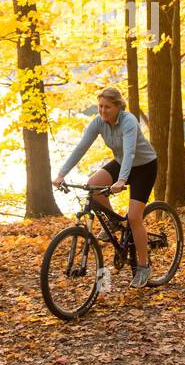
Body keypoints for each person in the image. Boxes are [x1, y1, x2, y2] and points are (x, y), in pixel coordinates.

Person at [53, 88, 158, 288]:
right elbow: (81, 148)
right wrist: (61, 173)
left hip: (144, 166)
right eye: (100, 106)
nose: (102, 110)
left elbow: (129, 152)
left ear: (118, 106)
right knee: (93, 185)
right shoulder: (99, 123)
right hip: (121, 163)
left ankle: (144, 267)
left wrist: (121, 180)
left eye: (107, 107)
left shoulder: (129, 121)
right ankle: (114, 223)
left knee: (135, 217)